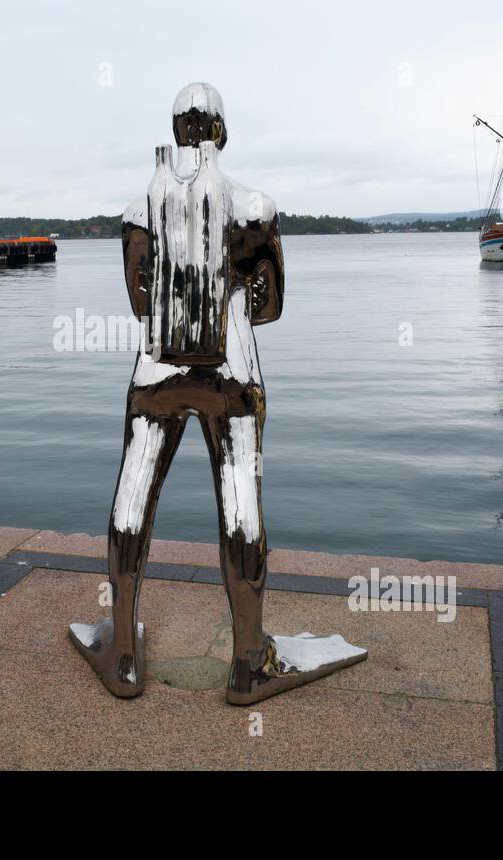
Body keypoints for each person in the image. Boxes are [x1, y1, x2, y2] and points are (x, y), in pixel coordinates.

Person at [70, 83, 365, 705]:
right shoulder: (255, 207)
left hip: (154, 375)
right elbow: (274, 306)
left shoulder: (137, 209)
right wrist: (229, 309)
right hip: (232, 374)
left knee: (132, 496)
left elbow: (139, 301)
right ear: (222, 132)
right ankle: (249, 660)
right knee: (240, 504)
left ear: (175, 131)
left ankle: (122, 651)